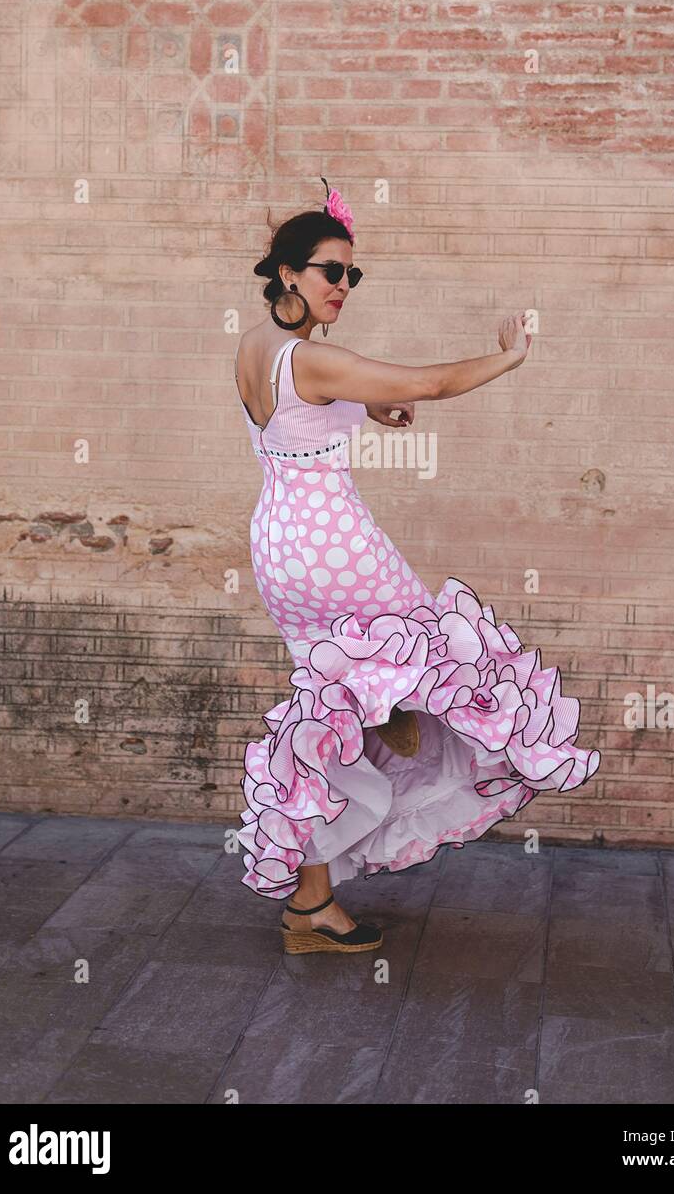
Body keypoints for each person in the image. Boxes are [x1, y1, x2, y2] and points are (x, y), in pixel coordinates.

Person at [235, 178, 601, 955]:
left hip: (281, 544)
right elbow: (428, 383)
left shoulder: (258, 347)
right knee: (445, 665)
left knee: (338, 713)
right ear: (290, 272)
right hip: (335, 546)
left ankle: (311, 906)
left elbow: (298, 409)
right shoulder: (312, 359)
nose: (343, 287)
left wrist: (359, 407)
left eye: (352, 275)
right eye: (331, 272)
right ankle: (474, 750)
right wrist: (508, 358)